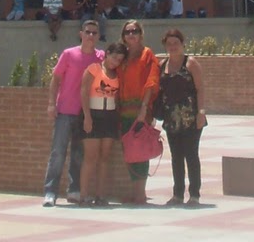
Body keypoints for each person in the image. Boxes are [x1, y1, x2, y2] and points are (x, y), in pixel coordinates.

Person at [43, 18, 104, 206]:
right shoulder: (68, 54)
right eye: (88, 32)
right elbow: (56, 79)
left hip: (85, 114)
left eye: (94, 32)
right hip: (65, 111)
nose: (91, 35)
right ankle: (50, 192)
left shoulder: (100, 57)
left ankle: (74, 190)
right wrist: (52, 104)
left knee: (79, 154)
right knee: (58, 152)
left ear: (98, 36)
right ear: (81, 34)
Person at [157, 27, 206, 207]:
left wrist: (201, 113)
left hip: (191, 117)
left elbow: (200, 89)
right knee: (176, 156)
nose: (172, 47)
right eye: (169, 44)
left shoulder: (191, 63)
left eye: (175, 43)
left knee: (191, 155)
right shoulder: (162, 65)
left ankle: (194, 195)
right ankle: (177, 194)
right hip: (171, 118)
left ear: (182, 44)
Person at [116, 19, 160, 205]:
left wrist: (144, 109)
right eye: (127, 32)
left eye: (134, 31)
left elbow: (151, 81)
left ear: (141, 34)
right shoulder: (122, 56)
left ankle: (140, 194)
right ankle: (135, 193)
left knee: (140, 151)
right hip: (123, 111)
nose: (131, 34)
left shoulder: (147, 54)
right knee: (129, 151)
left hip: (141, 111)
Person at [79, 40, 125, 206]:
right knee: (91, 157)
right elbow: (84, 91)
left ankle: (100, 195)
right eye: (114, 57)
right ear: (107, 54)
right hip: (93, 114)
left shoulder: (118, 74)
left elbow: (118, 98)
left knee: (105, 157)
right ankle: (83, 195)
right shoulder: (94, 69)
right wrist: (87, 117)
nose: (115, 62)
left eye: (119, 60)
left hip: (110, 116)